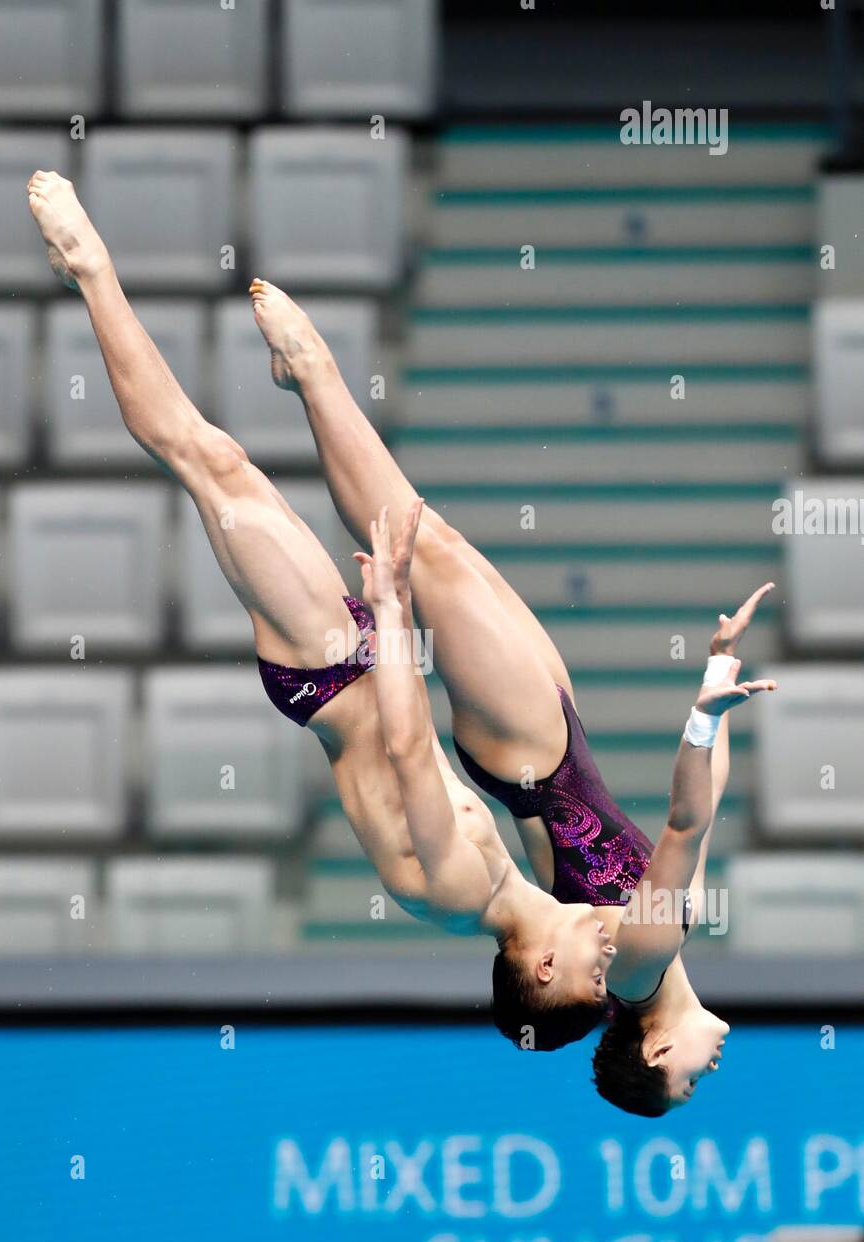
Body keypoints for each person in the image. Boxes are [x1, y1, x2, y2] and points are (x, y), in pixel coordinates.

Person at [25, 171, 773, 1059]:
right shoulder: (507, 891)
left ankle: (89, 267)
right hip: (372, 659)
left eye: (590, 977)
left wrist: (388, 615)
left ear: (539, 974)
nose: (608, 962)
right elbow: (638, 826)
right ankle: (298, 372)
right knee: (235, 470)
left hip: (330, 671)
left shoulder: (464, 897)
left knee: (207, 461)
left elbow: (415, 753)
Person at [246, 278, 776, 1050]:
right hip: (545, 752)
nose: (710, 1068)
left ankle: (312, 374)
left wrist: (701, 718)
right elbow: (704, 810)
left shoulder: (634, 970)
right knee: (437, 551)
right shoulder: (657, 952)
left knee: (425, 555)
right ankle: (310, 382)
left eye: (688, 1080)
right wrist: (716, 680)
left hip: (538, 761)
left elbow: (685, 824)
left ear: (654, 1052)